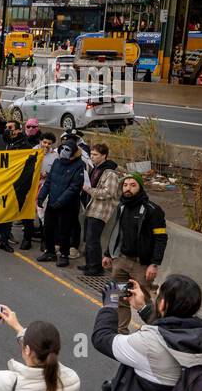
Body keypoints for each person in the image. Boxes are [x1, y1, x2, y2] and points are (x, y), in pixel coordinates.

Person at [104, 172, 167, 331]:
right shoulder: (122, 206)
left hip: (141, 265)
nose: (128, 188)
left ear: (140, 187)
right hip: (122, 261)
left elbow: (161, 238)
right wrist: (108, 253)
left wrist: (154, 264)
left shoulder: (153, 210)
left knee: (144, 301)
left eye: (133, 185)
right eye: (125, 185)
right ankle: (121, 332)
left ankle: (155, 332)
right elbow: (117, 232)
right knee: (119, 298)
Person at [37, 138, 85, 268]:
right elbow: (49, 182)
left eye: (67, 150)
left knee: (64, 231)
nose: (64, 151)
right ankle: (50, 252)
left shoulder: (79, 165)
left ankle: (64, 255)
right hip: (52, 202)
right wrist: (41, 196)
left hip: (68, 205)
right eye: (62, 148)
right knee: (48, 228)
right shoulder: (57, 162)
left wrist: (61, 201)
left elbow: (74, 187)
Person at [80, 141, 120, 276]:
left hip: (100, 210)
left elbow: (109, 192)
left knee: (93, 239)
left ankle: (96, 267)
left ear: (104, 156)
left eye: (96, 154)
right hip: (91, 208)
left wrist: (90, 190)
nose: (92, 157)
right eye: (91, 154)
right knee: (88, 239)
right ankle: (89, 264)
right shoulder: (96, 168)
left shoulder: (110, 173)